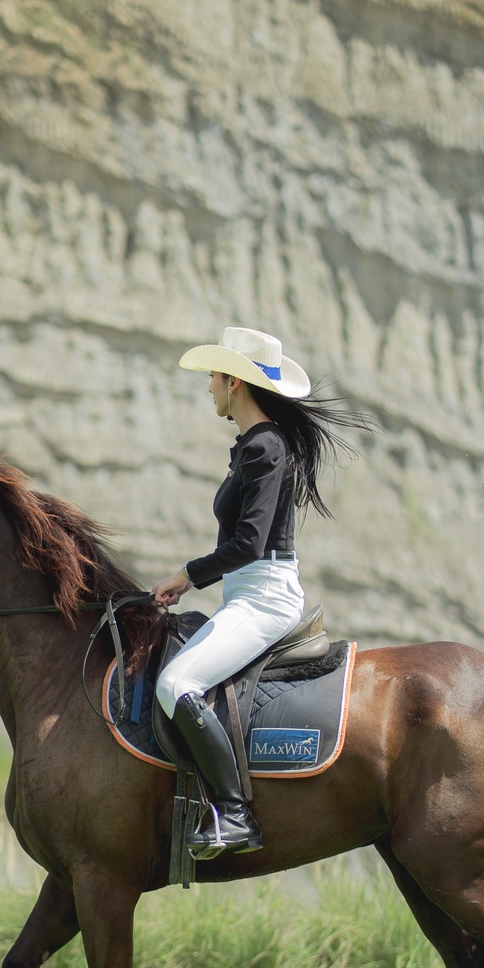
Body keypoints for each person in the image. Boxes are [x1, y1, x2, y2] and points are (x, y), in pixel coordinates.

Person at [151, 325, 359, 861]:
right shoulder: (252, 445)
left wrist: (185, 575)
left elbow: (247, 544)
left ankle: (236, 814)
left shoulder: (266, 446)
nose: (209, 388)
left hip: (264, 596)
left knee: (177, 684)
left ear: (234, 383)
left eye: (214, 377)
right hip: (247, 591)